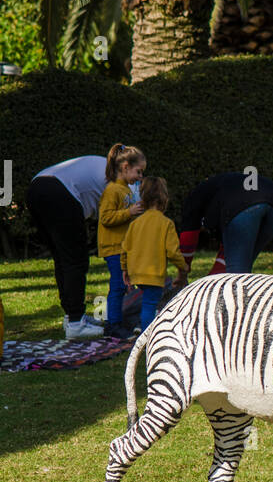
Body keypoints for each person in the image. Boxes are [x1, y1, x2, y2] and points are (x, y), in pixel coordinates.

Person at [25, 154, 113, 339]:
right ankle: (75, 323)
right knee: (76, 260)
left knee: (62, 257)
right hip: (59, 191)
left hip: (37, 187)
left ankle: (72, 316)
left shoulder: (109, 168)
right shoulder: (126, 186)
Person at [177, 171, 273, 277]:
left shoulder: (195, 197)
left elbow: (188, 236)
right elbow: (222, 266)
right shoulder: (222, 191)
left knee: (236, 276)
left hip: (244, 203)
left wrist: (182, 273)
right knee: (241, 269)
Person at [122, 177, 188, 333]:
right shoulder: (166, 223)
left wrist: (125, 269)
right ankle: (148, 337)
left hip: (137, 273)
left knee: (148, 303)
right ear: (164, 198)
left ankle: (143, 328)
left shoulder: (135, 223)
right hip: (153, 274)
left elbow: (125, 248)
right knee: (150, 305)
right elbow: (173, 252)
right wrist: (183, 267)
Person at [96, 144, 147, 339]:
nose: (140, 177)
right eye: (138, 172)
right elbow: (106, 218)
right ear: (125, 167)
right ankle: (113, 325)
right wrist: (129, 212)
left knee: (125, 285)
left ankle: (121, 320)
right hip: (113, 248)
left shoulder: (125, 190)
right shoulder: (113, 190)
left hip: (123, 248)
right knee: (118, 285)